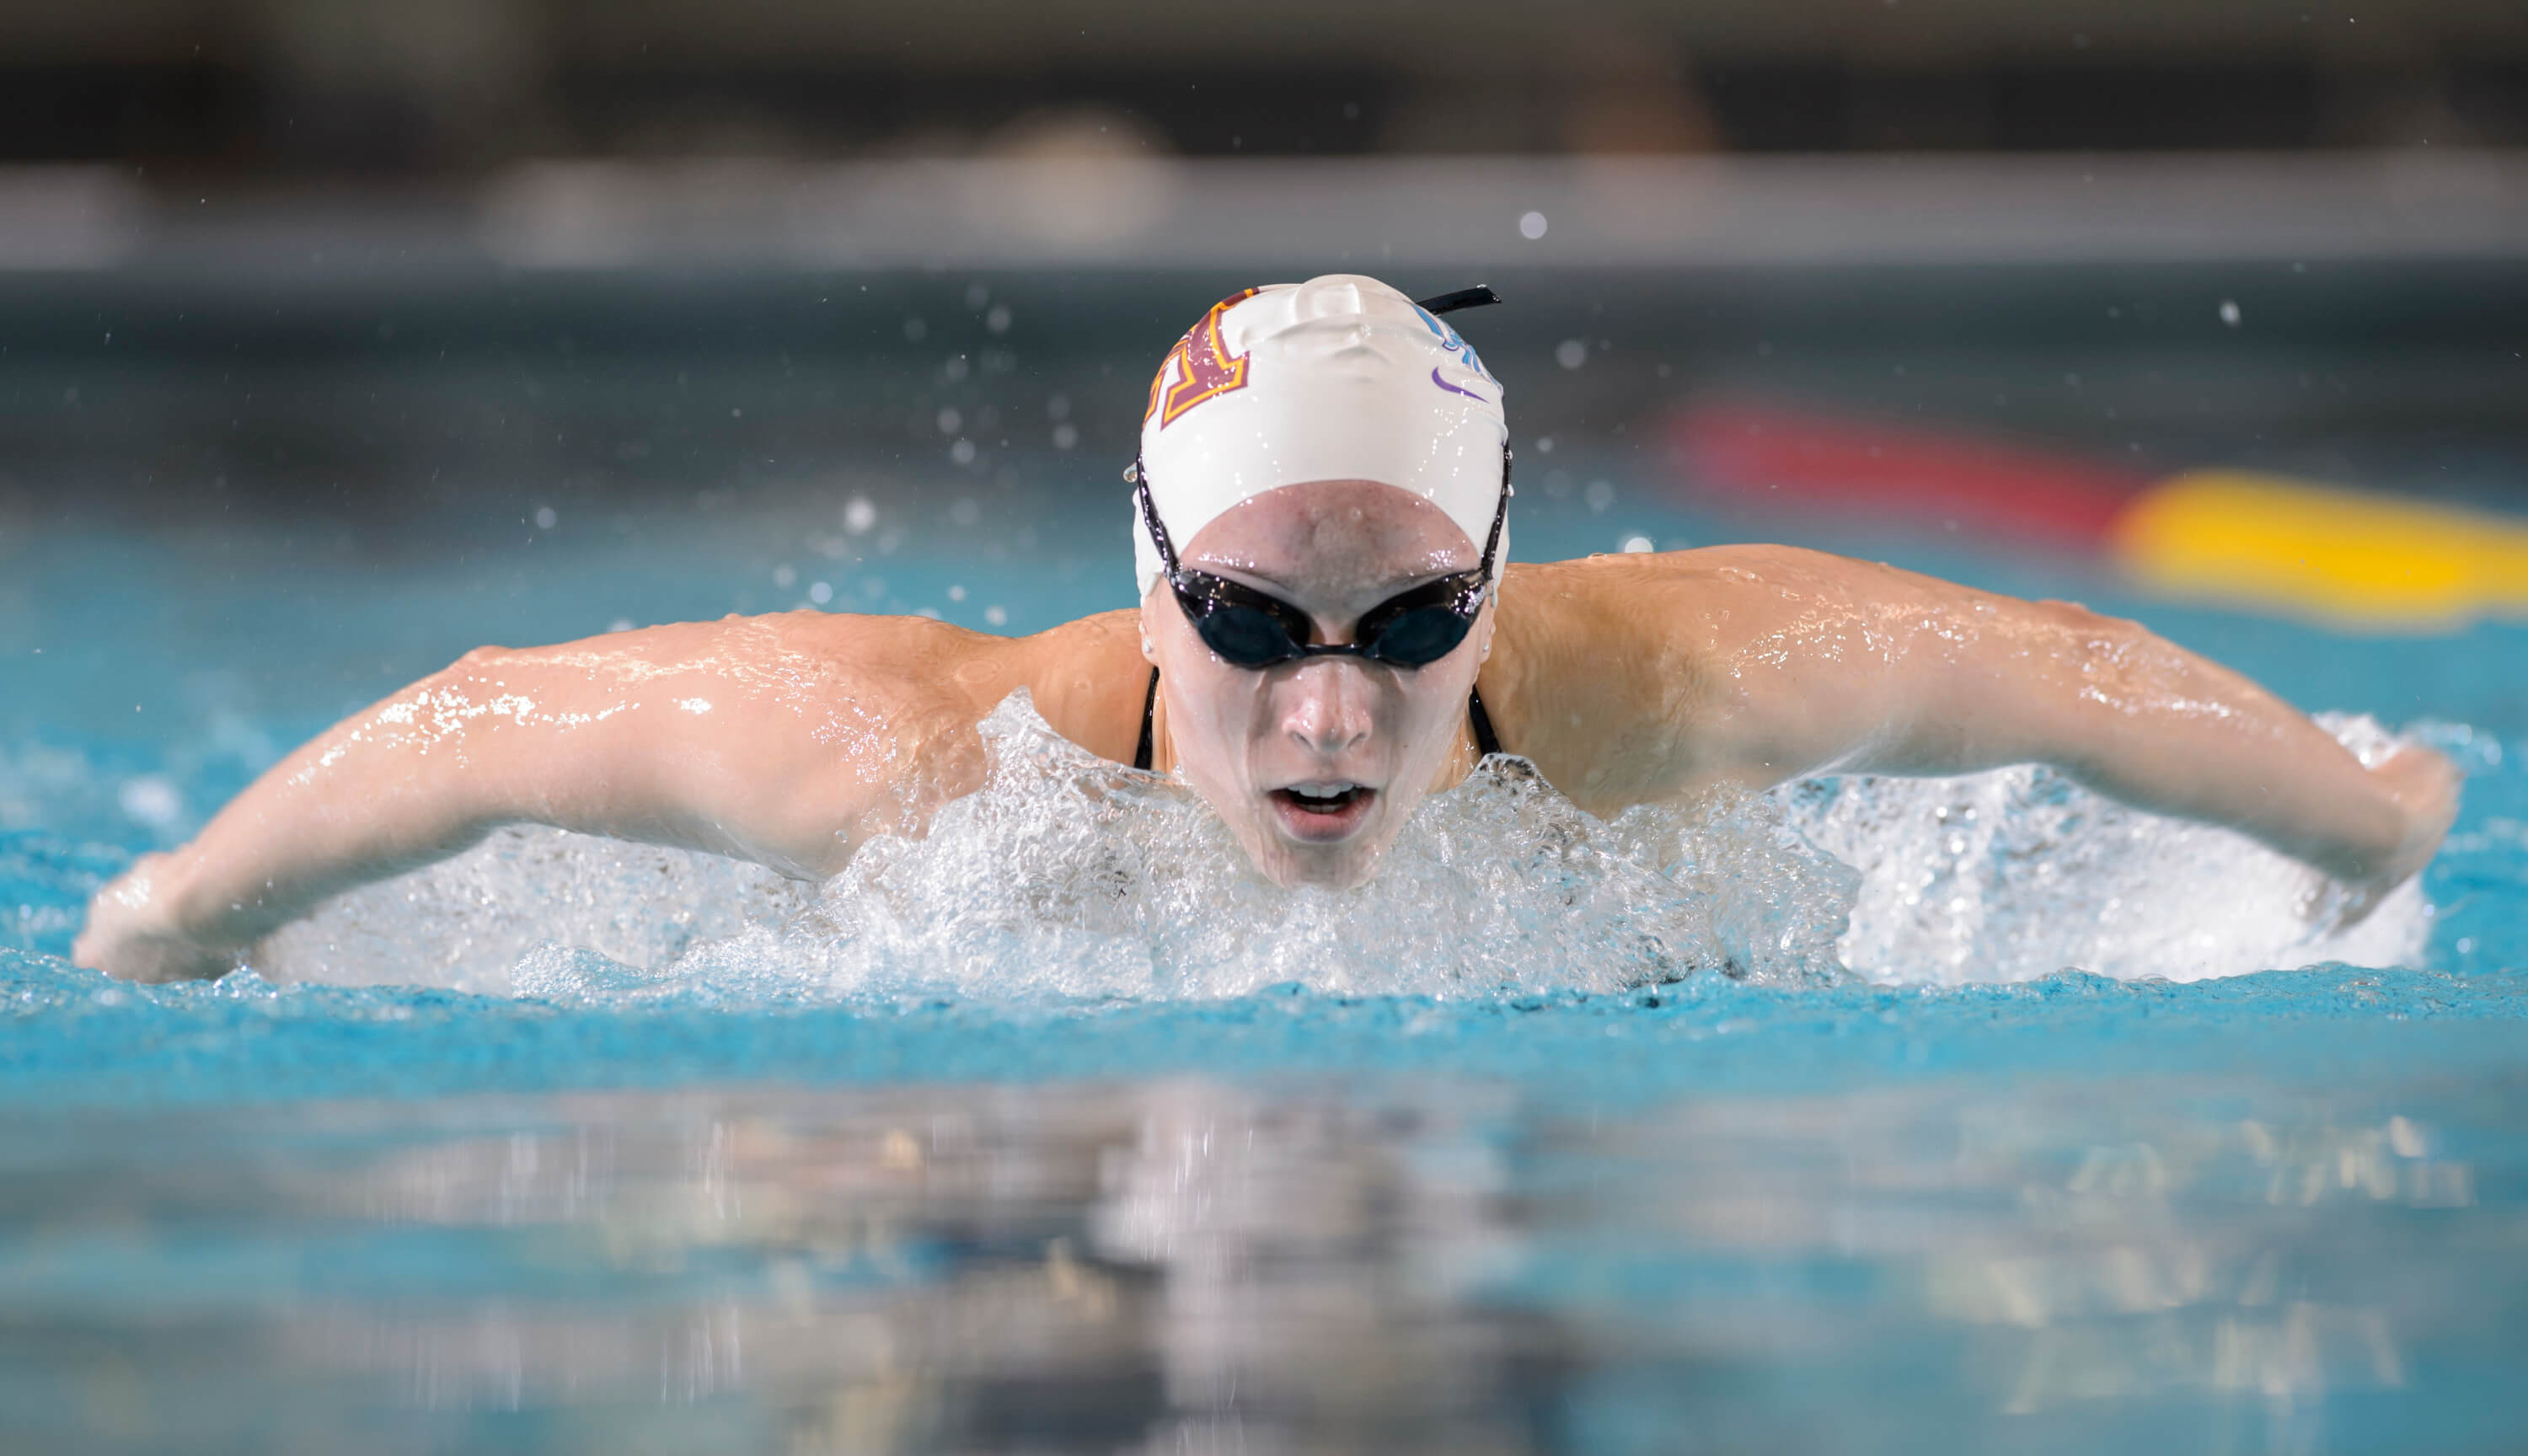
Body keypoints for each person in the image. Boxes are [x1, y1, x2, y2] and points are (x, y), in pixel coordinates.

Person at [77, 276, 2459, 982]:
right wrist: (178, 916)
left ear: (1502, 586)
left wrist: (2353, 825)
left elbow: (2055, 667)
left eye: (1416, 623)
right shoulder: (910, 767)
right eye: (1247, 620)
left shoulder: (1685, 688)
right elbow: (485, 724)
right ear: (1146, 576)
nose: (1329, 709)